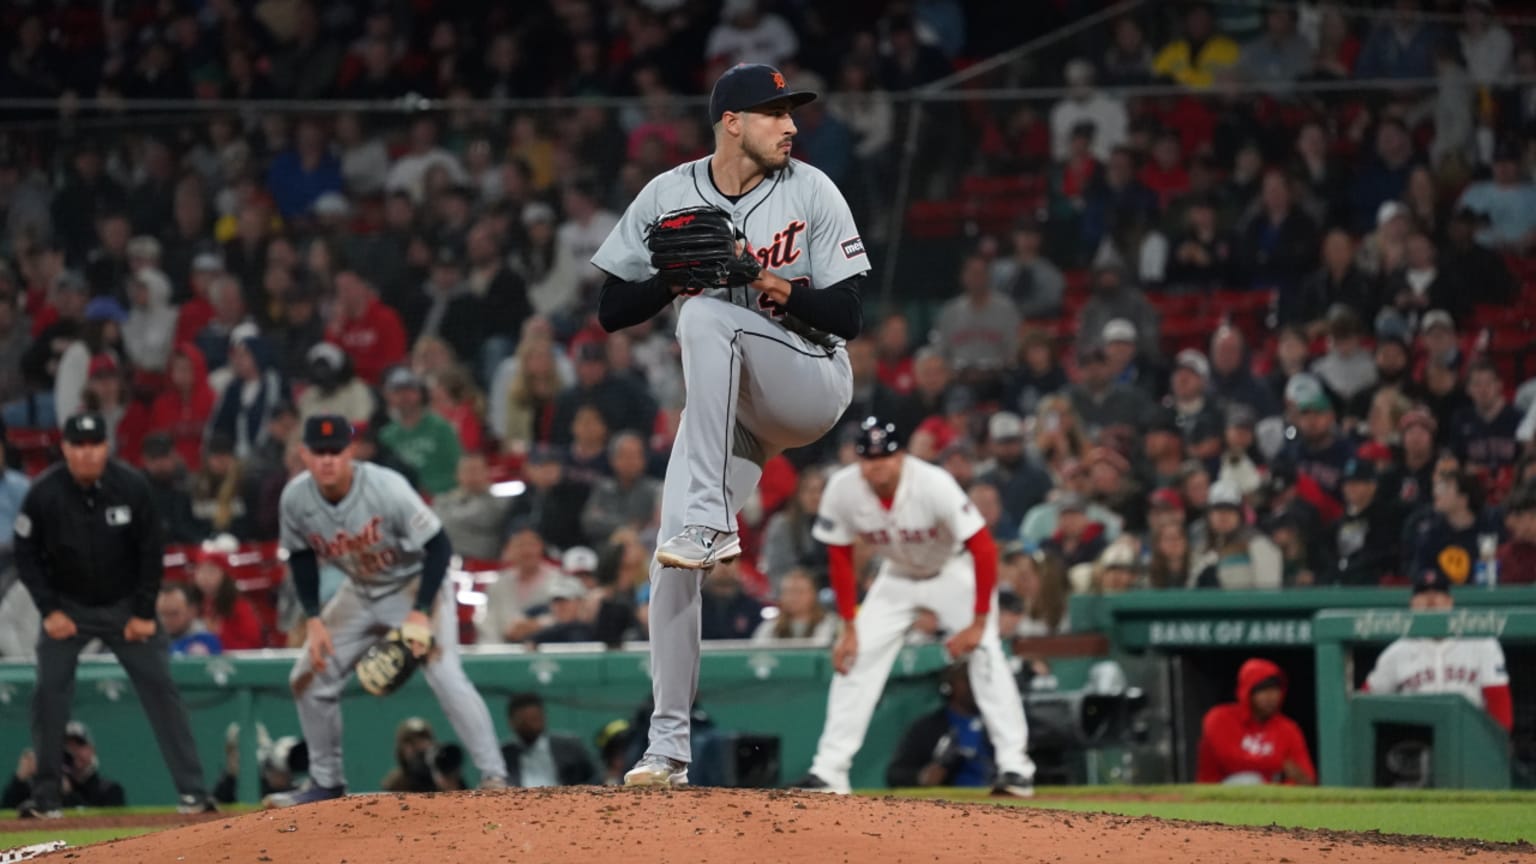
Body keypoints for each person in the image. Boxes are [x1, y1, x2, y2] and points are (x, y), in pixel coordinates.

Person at [591, 63, 865, 789]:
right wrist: (669, 279)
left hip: (808, 379)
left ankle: (711, 520)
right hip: (729, 411)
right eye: (776, 112)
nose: (791, 125)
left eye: (792, 112)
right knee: (670, 561)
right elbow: (611, 310)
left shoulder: (812, 188)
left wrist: (768, 280)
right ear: (732, 123)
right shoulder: (668, 193)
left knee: (709, 316)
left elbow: (849, 315)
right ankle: (666, 751)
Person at [265, 414, 509, 806]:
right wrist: (313, 618)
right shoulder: (296, 498)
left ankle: (494, 774)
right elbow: (301, 556)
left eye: (335, 451)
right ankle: (326, 782)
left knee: (446, 675)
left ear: (351, 451)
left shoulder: (385, 487)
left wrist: (420, 611)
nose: (328, 460)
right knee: (307, 677)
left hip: (415, 583)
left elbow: (439, 546)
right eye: (319, 452)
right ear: (304, 454)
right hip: (360, 591)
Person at [791, 417, 1034, 797]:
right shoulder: (843, 489)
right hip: (896, 576)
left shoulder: (933, 483)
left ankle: (1015, 767)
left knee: (986, 654)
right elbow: (839, 557)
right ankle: (829, 771)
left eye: (885, 456)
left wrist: (978, 623)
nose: (877, 465)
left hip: (950, 571)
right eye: (869, 458)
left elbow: (983, 548)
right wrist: (849, 627)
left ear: (901, 455)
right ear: (858, 460)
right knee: (855, 657)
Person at [13, 412, 216, 818]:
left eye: (94, 445)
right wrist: (49, 610)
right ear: (65, 448)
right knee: (49, 691)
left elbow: (151, 551)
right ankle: (46, 797)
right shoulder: (44, 493)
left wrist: (143, 611)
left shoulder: (132, 486)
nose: (87, 453)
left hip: (126, 607)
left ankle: (194, 793)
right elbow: (26, 554)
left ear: (106, 447)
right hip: (68, 608)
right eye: (79, 445)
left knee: (161, 689)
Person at [1361, 563, 1512, 733]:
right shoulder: (1396, 652)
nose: (1431, 601)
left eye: (1438, 594)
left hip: (1469, 737)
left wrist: (1496, 744)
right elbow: (1365, 703)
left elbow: (1500, 707)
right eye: (1423, 594)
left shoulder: (1482, 643)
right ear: (1412, 604)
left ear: (1450, 602)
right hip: (1416, 738)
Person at [1195, 658, 1316, 785]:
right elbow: (1232, 762)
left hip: (1268, 792)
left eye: (1275, 690)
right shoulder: (1220, 718)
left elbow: (1308, 779)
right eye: (1263, 690)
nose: (1271, 697)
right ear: (1247, 692)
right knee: (1249, 779)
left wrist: (1295, 780)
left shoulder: (1288, 729)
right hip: (1218, 790)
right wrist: (1278, 762)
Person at [886, 662, 1002, 789]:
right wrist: (922, 776)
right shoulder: (928, 727)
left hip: (998, 795)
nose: (973, 685)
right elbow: (895, 773)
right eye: (966, 678)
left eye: (978, 678)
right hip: (950, 798)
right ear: (949, 684)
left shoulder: (1001, 725)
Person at [501, 692, 598, 787]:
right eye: (524, 721)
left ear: (543, 717)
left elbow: (595, 777)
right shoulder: (504, 754)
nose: (531, 725)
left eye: (534, 719)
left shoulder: (570, 746)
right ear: (511, 722)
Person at [750, 568, 835, 645]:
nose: (793, 598)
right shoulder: (769, 628)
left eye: (799, 592)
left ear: (813, 594)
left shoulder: (830, 625)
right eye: (788, 592)